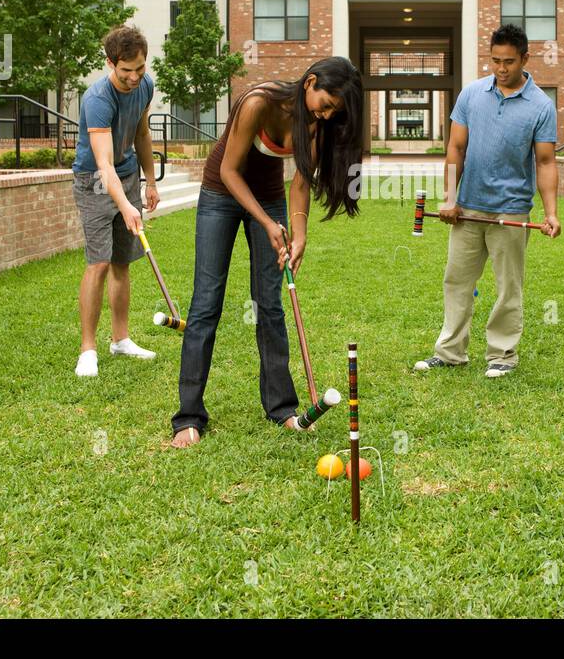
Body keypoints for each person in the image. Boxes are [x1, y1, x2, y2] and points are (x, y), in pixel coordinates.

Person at [169, 57, 364, 449]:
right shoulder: (258, 102)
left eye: (334, 112)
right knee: (206, 302)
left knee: (269, 304)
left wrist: (299, 233)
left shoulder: (316, 124)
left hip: (272, 198)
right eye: (325, 104)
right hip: (221, 194)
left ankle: (282, 409)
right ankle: (188, 417)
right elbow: (229, 171)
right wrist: (266, 223)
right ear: (310, 82)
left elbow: (301, 184)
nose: (326, 116)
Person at [414, 23, 561, 379]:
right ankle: (450, 352)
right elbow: (456, 148)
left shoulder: (541, 106)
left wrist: (551, 213)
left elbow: (544, 162)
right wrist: (450, 197)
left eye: (509, 61)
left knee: (508, 286)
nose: (501, 68)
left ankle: (502, 354)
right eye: (495, 60)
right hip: (467, 208)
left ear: (525, 58)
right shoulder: (471, 94)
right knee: (456, 280)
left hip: (511, 210)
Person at [70, 24, 160, 377]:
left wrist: (149, 181)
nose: (135, 77)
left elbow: (141, 132)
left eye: (140, 68)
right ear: (110, 63)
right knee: (99, 263)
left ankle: (120, 339)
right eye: (127, 71)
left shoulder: (145, 85)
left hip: (126, 175)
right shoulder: (97, 99)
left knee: (122, 262)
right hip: (94, 180)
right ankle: (87, 350)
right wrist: (125, 205)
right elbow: (103, 163)